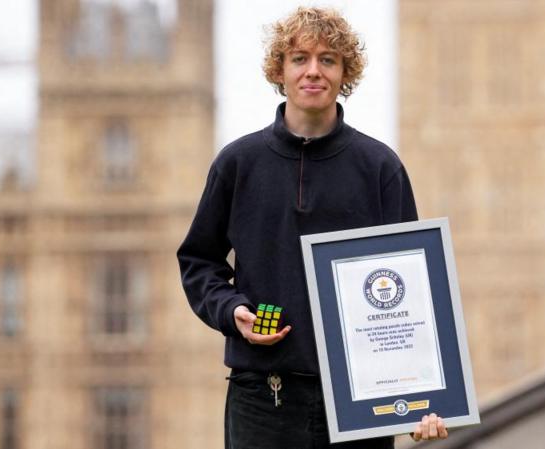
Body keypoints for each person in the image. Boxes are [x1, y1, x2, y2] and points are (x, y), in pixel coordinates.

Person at [177, 7, 448, 448]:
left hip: (361, 404)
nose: (313, 71)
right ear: (279, 71)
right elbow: (199, 261)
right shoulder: (238, 163)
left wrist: (424, 398)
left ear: (345, 74)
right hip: (262, 396)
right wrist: (232, 311)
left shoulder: (380, 168)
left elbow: (411, 291)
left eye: (328, 59)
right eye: (300, 58)